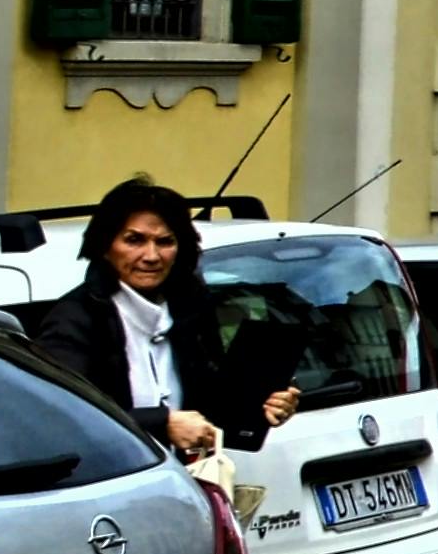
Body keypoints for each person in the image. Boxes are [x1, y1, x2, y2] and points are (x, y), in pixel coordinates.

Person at [19, 178, 296, 466]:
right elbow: (64, 415)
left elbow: (207, 407)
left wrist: (261, 405)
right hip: (111, 486)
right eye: (134, 240)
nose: (151, 256)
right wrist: (161, 423)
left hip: (184, 485)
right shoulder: (75, 319)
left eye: (165, 242)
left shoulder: (190, 308)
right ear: (105, 247)